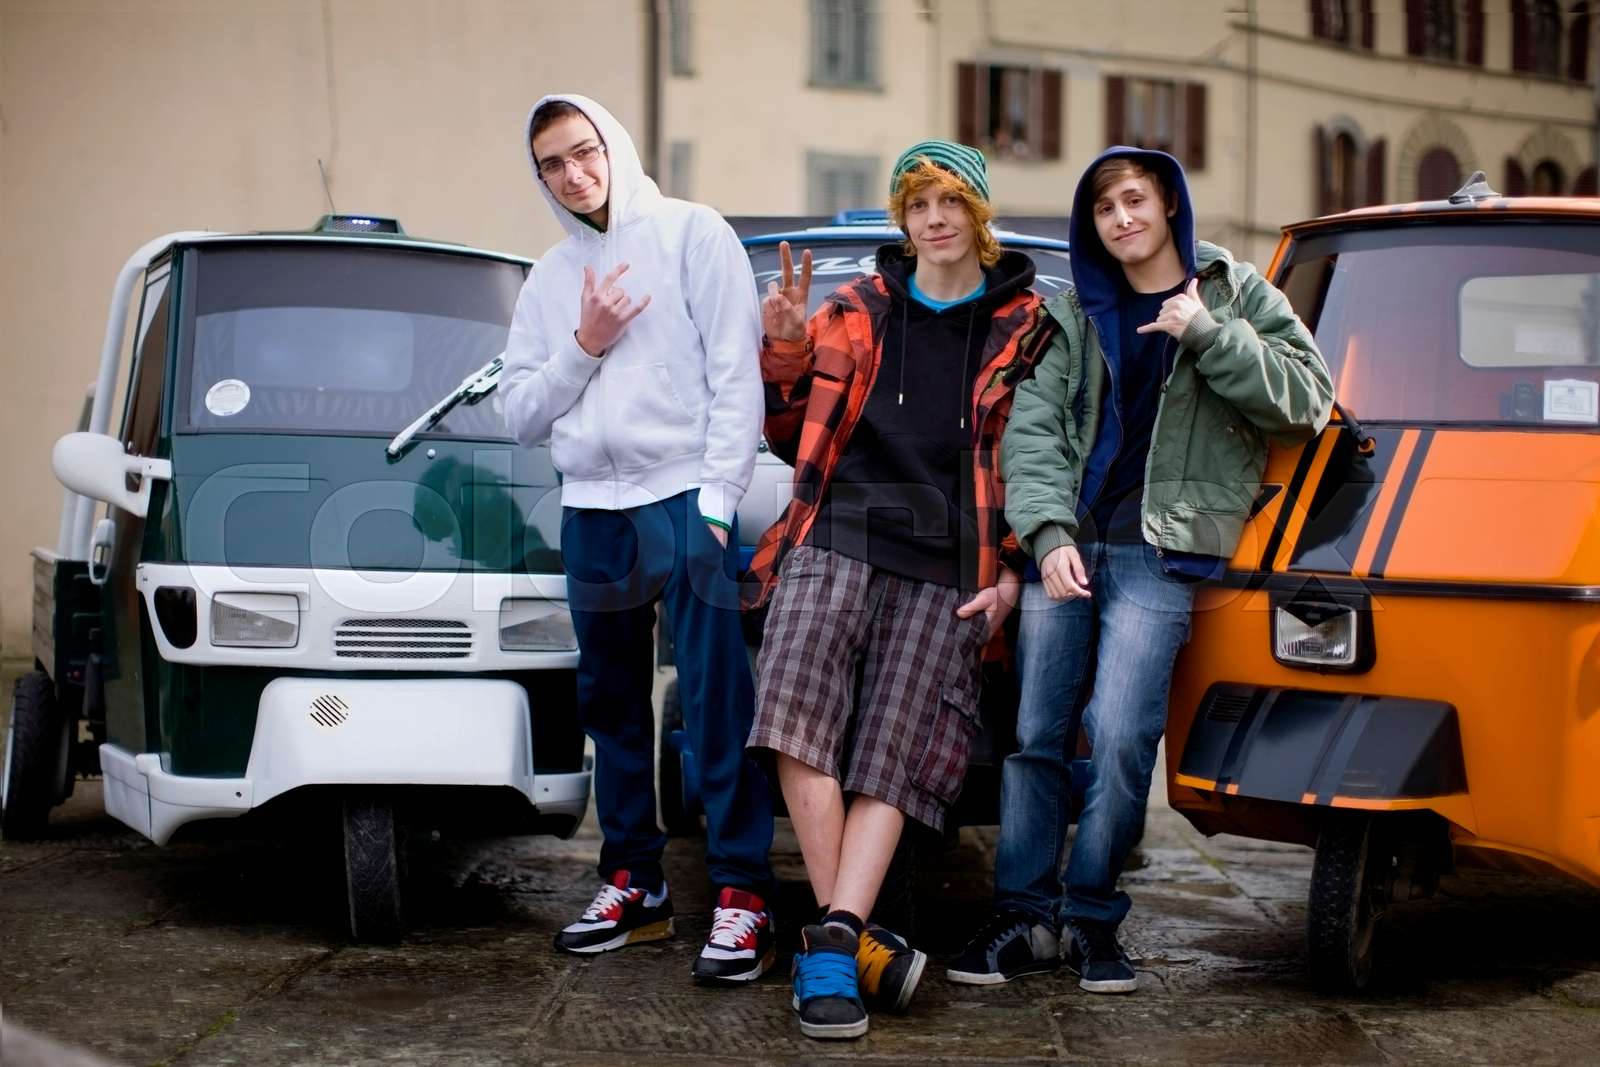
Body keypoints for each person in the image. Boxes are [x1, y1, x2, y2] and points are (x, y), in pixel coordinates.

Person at [948, 147, 1333, 994]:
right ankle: (1023, 913)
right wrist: (1047, 534)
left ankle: (1090, 915)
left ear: (1168, 205)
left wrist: (1207, 335)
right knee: (1037, 736)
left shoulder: (1234, 293)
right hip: (1067, 548)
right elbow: (1033, 431)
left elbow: (1307, 402)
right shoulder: (1073, 309)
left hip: (1163, 550)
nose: (1121, 219)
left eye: (1134, 200)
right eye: (1104, 208)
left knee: (1122, 735)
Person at [746, 140, 1043, 1039]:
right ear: (903, 219)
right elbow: (788, 433)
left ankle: (833, 944)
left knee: (895, 753)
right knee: (792, 714)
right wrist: (785, 349)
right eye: (918, 204)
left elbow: (1041, 459)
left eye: (951, 201)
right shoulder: (855, 307)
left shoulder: (1029, 327)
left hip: (949, 563)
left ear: (978, 215)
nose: (935, 218)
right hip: (833, 533)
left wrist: (1012, 568)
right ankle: (851, 939)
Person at [500, 93, 776, 984]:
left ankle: (743, 891)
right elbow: (517, 412)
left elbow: (736, 375)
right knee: (610, 700)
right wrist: (584, 344)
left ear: (613, 145)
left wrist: (717, 503)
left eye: (584, 151)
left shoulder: (694, 233)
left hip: (686, 493)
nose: (573, 173)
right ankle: (634, 882)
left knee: (716, 694)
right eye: (552, 163)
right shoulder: (548, 279)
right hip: (592, 504)